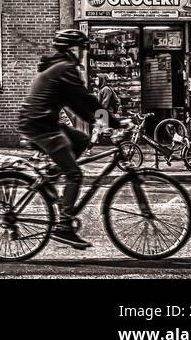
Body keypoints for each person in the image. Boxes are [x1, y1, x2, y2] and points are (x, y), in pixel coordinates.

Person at [18, 28, 121, 250]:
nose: (84, 53)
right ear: (73, 49)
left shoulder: (59, 67)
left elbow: (81, 107)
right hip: (41, 125)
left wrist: (103, 122)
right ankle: (64, 225)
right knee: (75, 174)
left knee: (81, 140)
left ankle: (56, 171)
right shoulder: (65, 69)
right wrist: (116, 123)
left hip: (41, 122)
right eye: (82, 48)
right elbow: (87, 103)